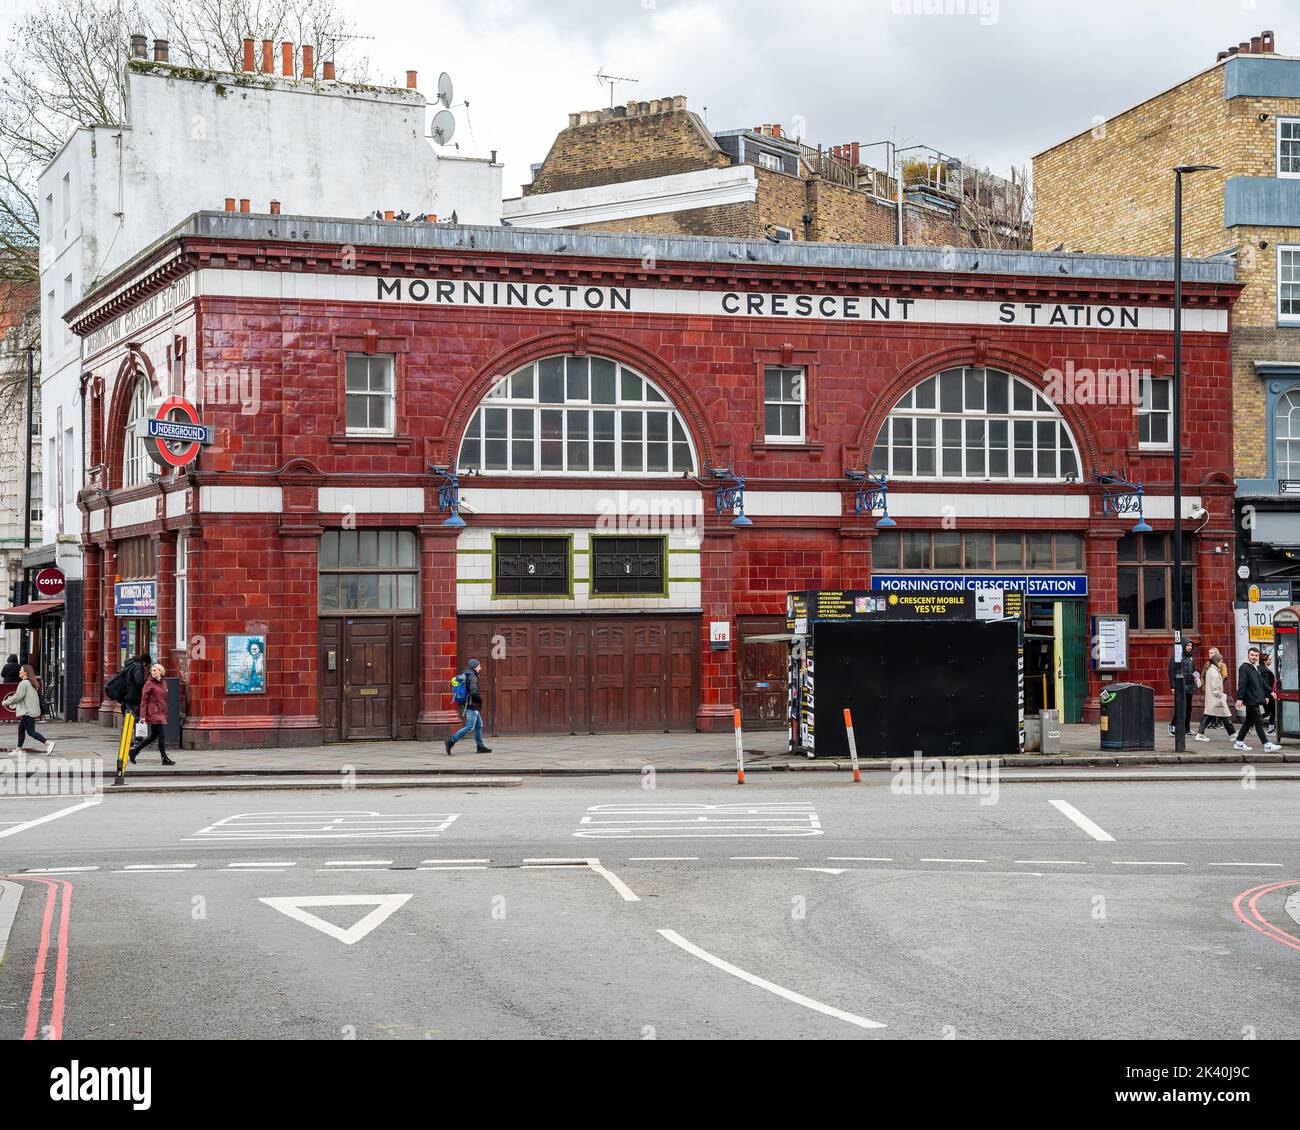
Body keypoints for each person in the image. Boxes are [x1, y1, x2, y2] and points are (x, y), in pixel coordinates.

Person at [1235, 646, 1281, 752]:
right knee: (1259, 721)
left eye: (1256, 655)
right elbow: (1242, 684)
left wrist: (1270, 691)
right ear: (1248, 655)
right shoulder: (1244, 667)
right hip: (1250, 699)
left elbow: (1262, 682)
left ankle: (1239, 742)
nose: (1254, 657)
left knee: (1248, 721)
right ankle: (1266, 745)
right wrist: (1239, 698)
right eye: (1252, 655)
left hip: (1254, 698)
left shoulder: (1256, 667)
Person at [129, 663, 175, 766]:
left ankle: (134, 752)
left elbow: (164, 698)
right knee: (162, 735)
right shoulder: (148, 684)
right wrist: (142, 716)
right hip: (153, 712)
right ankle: (164, 758)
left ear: (161, 671)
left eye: (155, 670)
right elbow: (143, 701)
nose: (152, 672)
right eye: (152, 670)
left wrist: (165, 710)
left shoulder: (164, 683)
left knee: (153, 736)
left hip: (161, 711)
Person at [444, 658, 492, 755]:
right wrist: (480, 699)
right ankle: (451, 741)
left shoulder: (466, 674)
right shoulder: (472, 677)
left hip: (470, 703)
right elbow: (474, 692)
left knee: (479, 725)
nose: (480, 668)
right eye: (478, 666)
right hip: (472, 704)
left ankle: (480, 747)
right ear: (474, 667)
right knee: (470, 727)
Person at [3, 664, 55, 754]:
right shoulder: (30, 682)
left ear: (26, 673)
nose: (19, 671)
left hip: (27, 711)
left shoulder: (23, 683)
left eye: (21, 670)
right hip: (29, 710)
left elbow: (17, 697)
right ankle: (18, 749)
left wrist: (4, 702)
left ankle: (48, 743)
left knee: (31, 732)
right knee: (21, 729)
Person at [1195, 648, 1234, 741]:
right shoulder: (1212, 670)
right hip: (1215, 696)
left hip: (1212, 695)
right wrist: (1222, 695)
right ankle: (1233, 734)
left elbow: (1223, 676)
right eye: (1209, 653)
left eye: (1212, 653)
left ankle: (1232, 734)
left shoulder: (1215, 668)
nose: (1210, 654)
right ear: (1217, 662)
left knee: (1213, 715)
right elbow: (1213, 685)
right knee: (1221, 715)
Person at [1167, 640, 1197, 737]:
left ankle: (1187, 728)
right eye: (1188, 645)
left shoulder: (1191, 657)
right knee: (1181, 707)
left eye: (1191, 646)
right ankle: (1172, 725)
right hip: (1180, 686)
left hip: (1189, 686)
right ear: (1184, 646)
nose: (1189, 647)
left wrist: (1197, 678)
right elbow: (1171, 671)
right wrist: (1172, 686)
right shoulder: (1177, 657)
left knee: (1189, 708)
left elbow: (1193, 670)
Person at [1260, 650, 1278, 735]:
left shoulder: (1262, 669)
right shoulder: (1265, 671)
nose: (1271, 661)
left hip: (1267, 694)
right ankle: (1271, 730)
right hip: (1268, 695)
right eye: (1269, 659)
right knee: (1272, 712)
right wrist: (1267, 696)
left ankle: (1252, 721)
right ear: (1265, 660)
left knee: (1268, 712)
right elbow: (1266, 684)